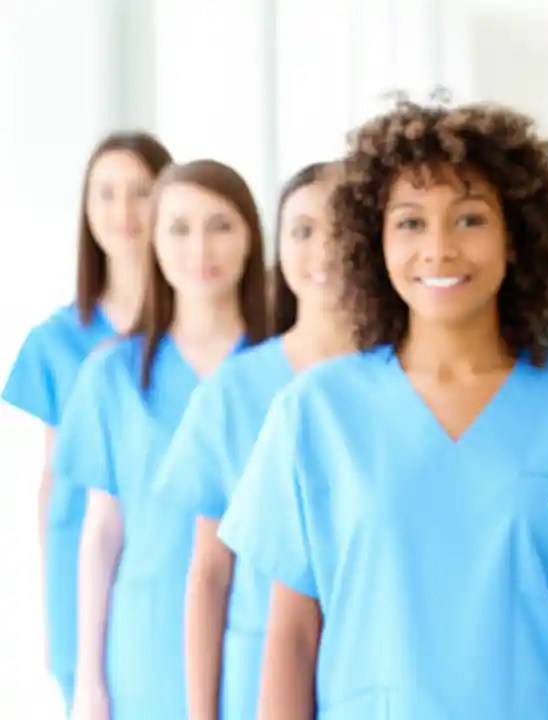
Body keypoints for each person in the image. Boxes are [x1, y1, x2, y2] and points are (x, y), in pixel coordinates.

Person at [217, 98, 548, 719]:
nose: (439, 248)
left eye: (470, 219)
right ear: (372, 241)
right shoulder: (317, 411)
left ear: (517, 238)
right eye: (409, 222)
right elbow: (294, 636)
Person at [57, 159, 269, 720]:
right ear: (152, 243)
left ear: (251, 236)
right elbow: (102, 531)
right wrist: (89, 683)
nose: (201, 247)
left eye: (220, 225)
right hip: (148, 642)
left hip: (264, 637)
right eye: (178, 228)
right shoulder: (113, 375)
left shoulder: (285, 371)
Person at [153, 161, 349, 720]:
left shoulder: (402, 380)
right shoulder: (235, 389)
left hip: (367, 668)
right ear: (278, 245)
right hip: (255, 671)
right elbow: (210, 572)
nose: (323, 249)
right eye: (303, 230)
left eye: (341, 228)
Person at [1, 131, 171, 712]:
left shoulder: (200, 334)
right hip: (85, 560)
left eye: (140, 192)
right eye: (106, 194)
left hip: (174, 560)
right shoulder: (56, 341)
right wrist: (56, 607)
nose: (123, 212)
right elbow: (55, 478)